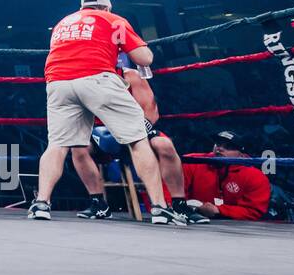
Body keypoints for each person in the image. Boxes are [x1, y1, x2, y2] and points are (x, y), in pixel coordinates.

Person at [29, 0, 186, 226]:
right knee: (138, 140)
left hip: (57, 82)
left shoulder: (63, 23)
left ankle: (41, 203)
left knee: (58, 144)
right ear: (107, 8)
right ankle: (159, 208)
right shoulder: (113, 20)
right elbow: (145, 58)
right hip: (96, 78)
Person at [74, 56, 206, 223]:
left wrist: (132, 135)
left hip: (136, 130)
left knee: (164, 144)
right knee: (77, 146)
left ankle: (180, 205)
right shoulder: (83, 80)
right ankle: (98, 203)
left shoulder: (131, 76)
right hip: (101, 134)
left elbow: (151, 112)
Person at [182, 131, 271, 221]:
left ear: (241, 154)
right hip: (192, 220)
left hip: (237, 229)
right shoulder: (193, 162)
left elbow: (253, 211)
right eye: (218, 144)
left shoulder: (255, 177)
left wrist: (219, 210)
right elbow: (174, 194)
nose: (219, 149)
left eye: (228, 147)